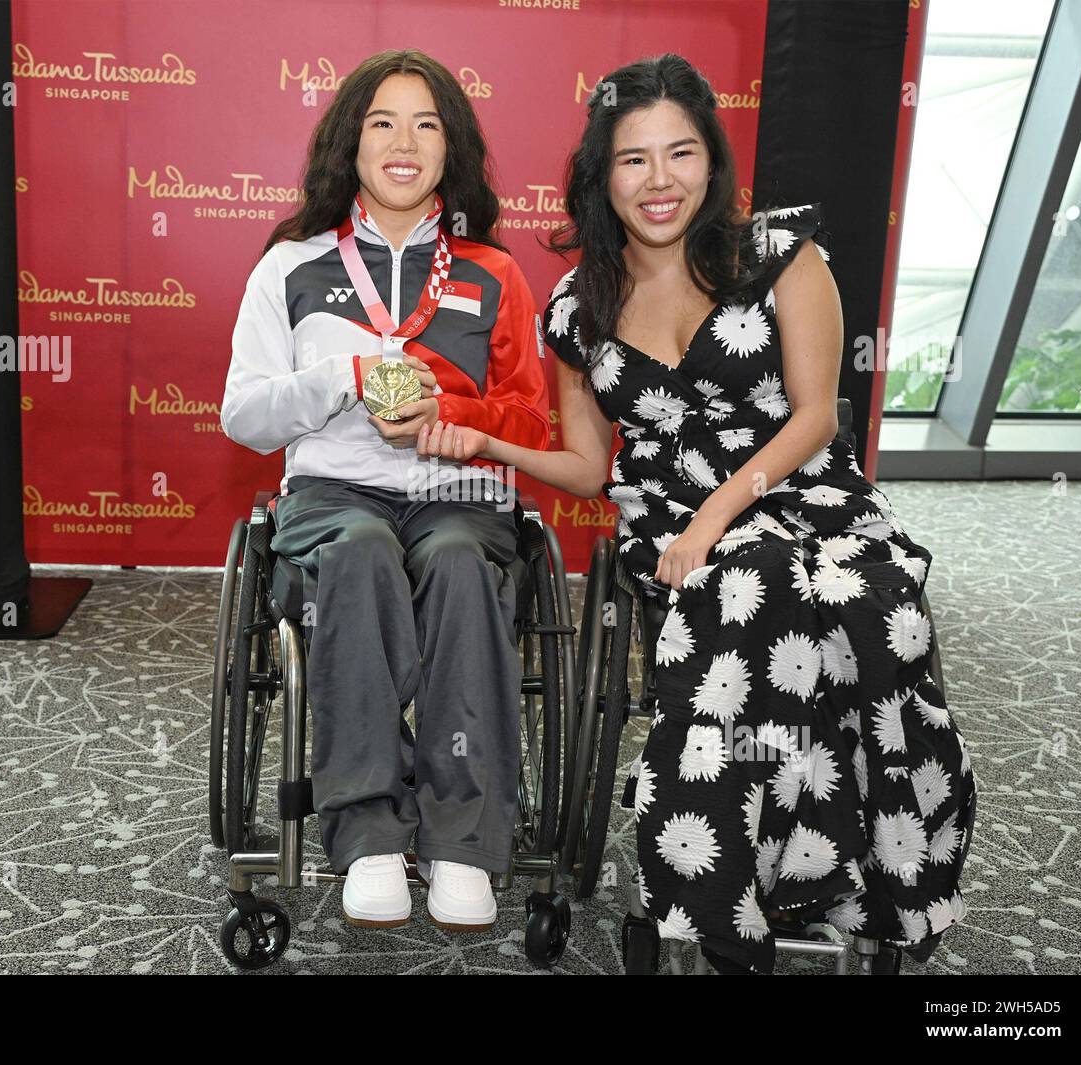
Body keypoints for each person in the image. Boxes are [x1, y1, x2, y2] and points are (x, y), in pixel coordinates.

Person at [416, 53, 976, 972]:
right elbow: (590, 465)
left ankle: (856, 875)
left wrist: (718, 513)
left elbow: (816, 416)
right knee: (745, 591)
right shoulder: (578, 307)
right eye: (634, 159)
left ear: (712, 161)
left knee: (885, 613)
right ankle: (722, 905)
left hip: (807, 500)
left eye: (680, 153)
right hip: (676, 529)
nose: (660, 179)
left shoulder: (783, 258)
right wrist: (485, 443)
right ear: (602, 175)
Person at [220, 50, 550, 933]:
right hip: (336, 494)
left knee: (453, 561)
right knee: (361, 552)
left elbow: (534, 423)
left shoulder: (493, 273)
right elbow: (245, 416)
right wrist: (340, 375)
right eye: (383, 122)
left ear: (452, 148)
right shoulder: (289, 266)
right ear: (350, 143)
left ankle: (463, 839)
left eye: (427, 124)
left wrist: (458, 412)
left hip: (460, 492)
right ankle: (368, 830)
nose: (404, 143)